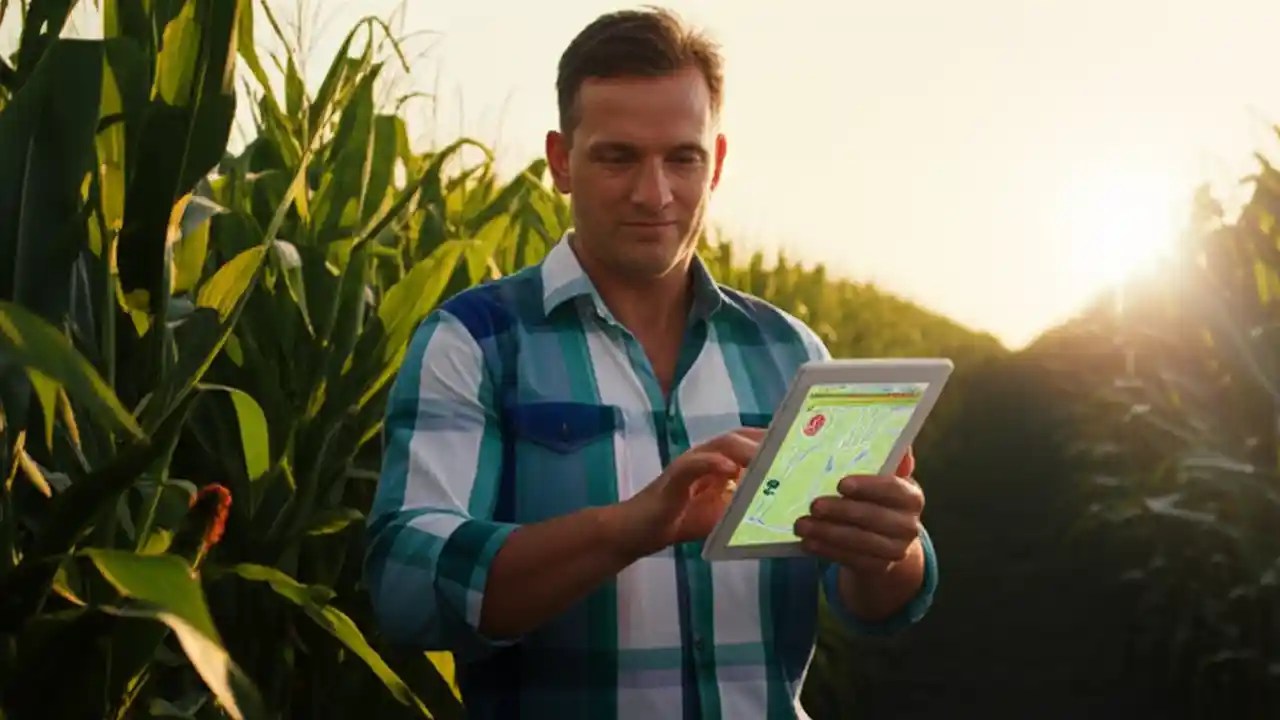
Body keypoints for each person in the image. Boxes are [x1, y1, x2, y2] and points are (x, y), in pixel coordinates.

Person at [364, 6, 938, 719]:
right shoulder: (475, 342)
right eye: (618, 156)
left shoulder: (788, 352)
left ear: (717, 163)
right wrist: (631, 526)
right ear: (561, 160)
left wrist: (887, 550)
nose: (654, 193)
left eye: (682, 158)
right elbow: (405, 586)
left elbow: (872, 605)